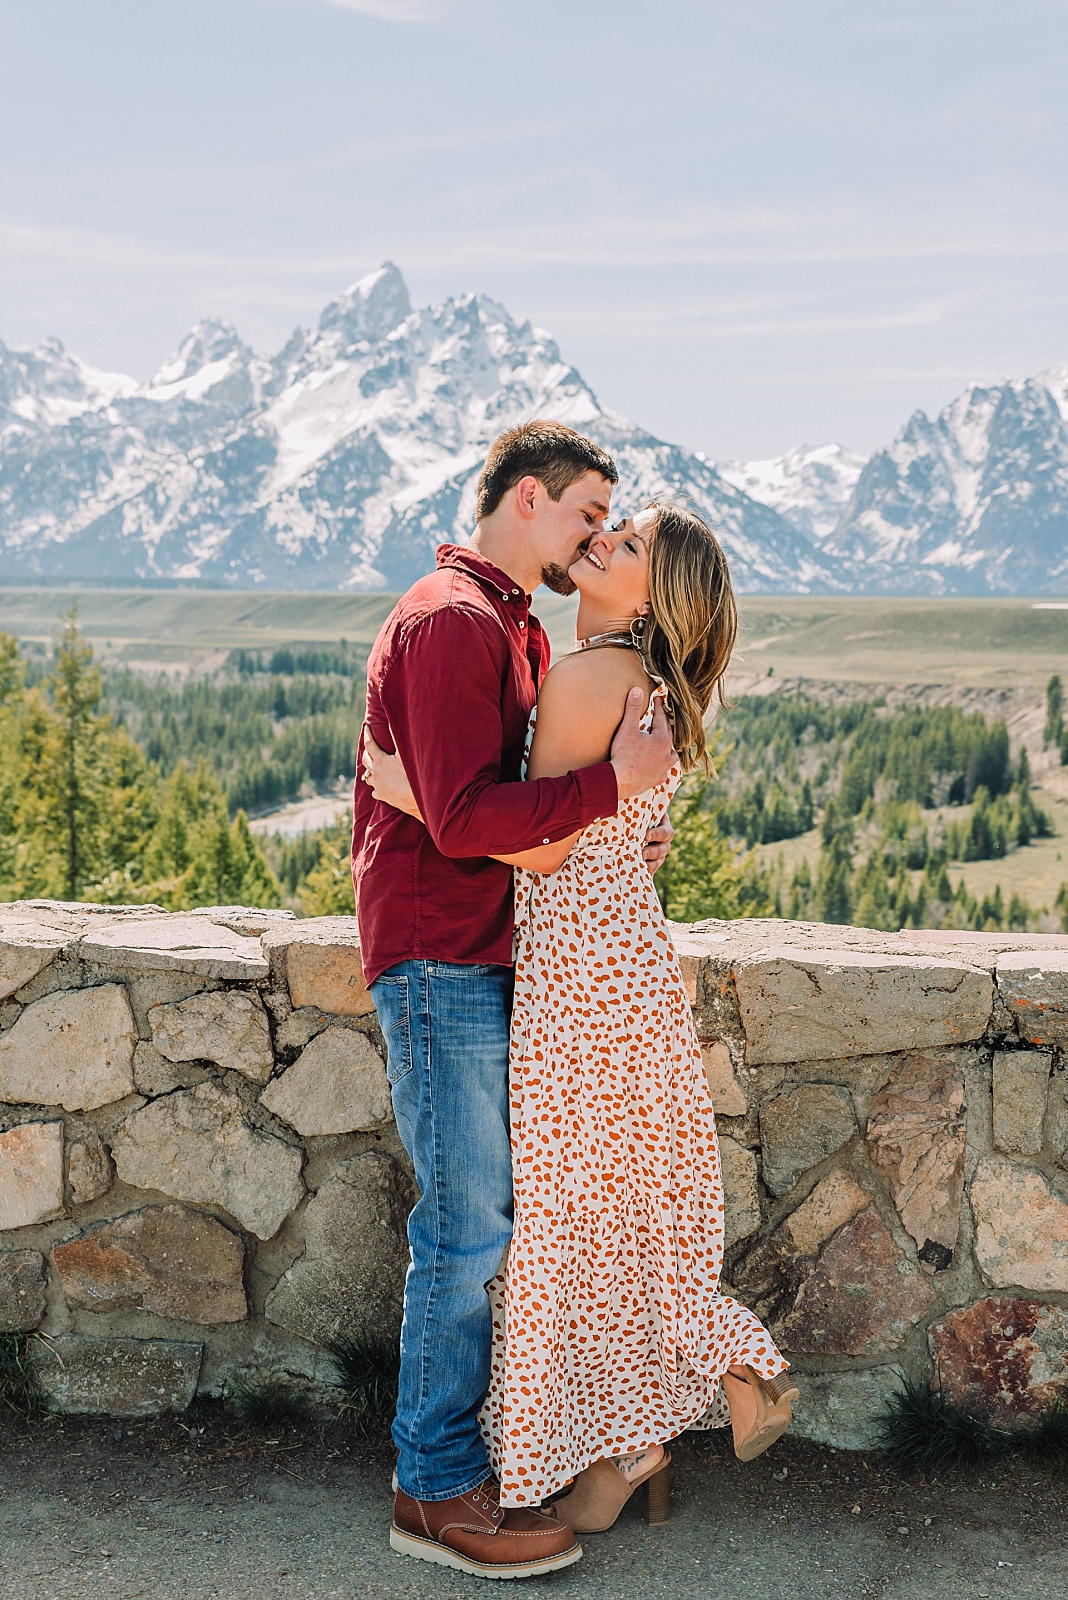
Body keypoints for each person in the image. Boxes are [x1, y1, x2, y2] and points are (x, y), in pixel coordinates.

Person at [367, 499, 799, 1539]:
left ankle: (724, 1357)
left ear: (654, 595)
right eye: (612, 525)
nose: (607, 542)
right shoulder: (647, 685)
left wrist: (420, 796)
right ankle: (630, 1444)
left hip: (577, 970)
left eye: (632, 542)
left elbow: (543, 847)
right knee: (617, 1215)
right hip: (630, 966)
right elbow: (612, 825)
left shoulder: (589, 675)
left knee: (565, 1218)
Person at [351, 420, 676, 1581]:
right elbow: (468, 819)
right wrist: (613, 786)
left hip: (487, 956)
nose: (596, 534)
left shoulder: (512, 628)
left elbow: (499, 807)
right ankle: (434, 1488)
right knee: (469, 1220)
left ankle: (485, 1457)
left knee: (492, 1221)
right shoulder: (453, 618)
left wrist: (617, 820)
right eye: (590, 512)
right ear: (530, 498)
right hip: (442, 955)